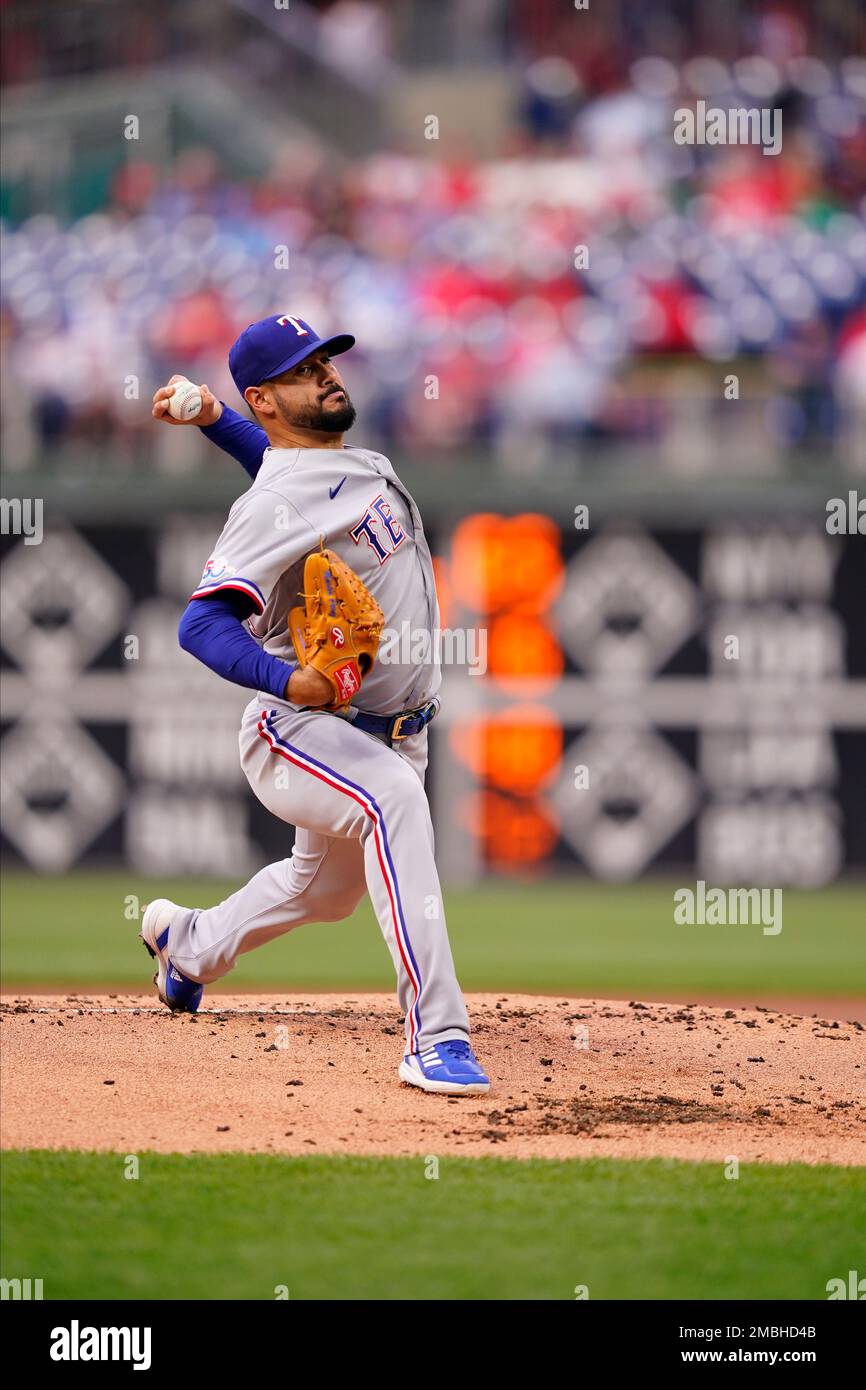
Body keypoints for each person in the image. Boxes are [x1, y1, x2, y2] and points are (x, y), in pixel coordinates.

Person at [145, 313, 490, 1095]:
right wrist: (288, 682)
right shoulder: (272, 507)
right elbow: (201, 622)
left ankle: (187, 945)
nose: (329, 374)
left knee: (324, 894)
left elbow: (279, 465)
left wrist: (209, 416)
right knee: (393, 802)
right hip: (302, 726)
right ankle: (436, 1035)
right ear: (266, 397)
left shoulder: (319, 464)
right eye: (306, 369)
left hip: (390, 730)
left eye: (328, 359)